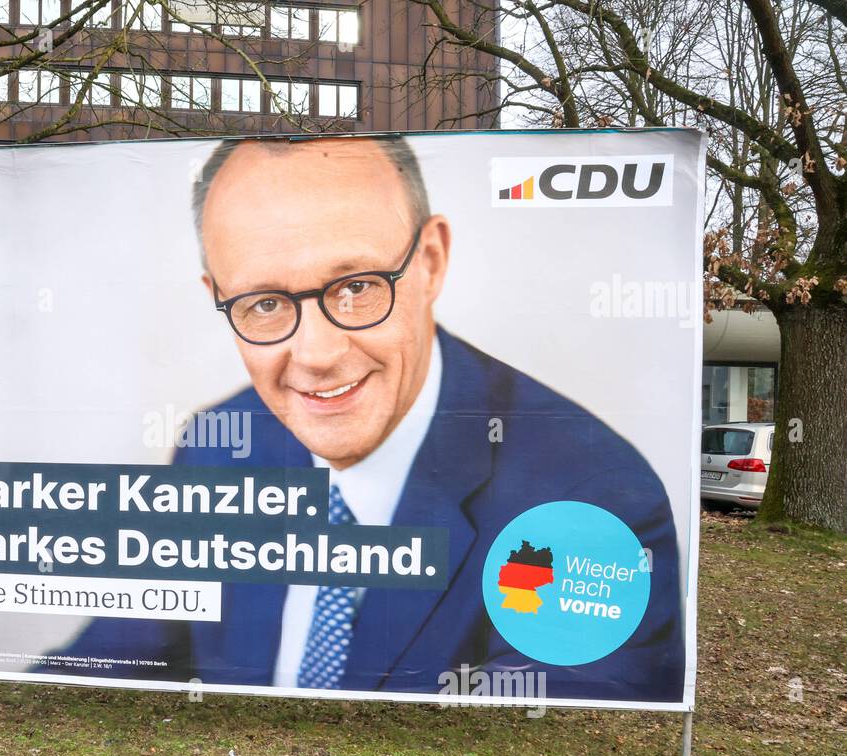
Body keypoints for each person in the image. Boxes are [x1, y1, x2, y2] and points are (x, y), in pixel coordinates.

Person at [40, 135, 684, 702]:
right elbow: (114, 655)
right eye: (264, 303)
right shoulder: (220, 446)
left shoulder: (594, 500)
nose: (317, 356)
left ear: (430, 261)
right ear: (218, 299)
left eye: (357, 287)